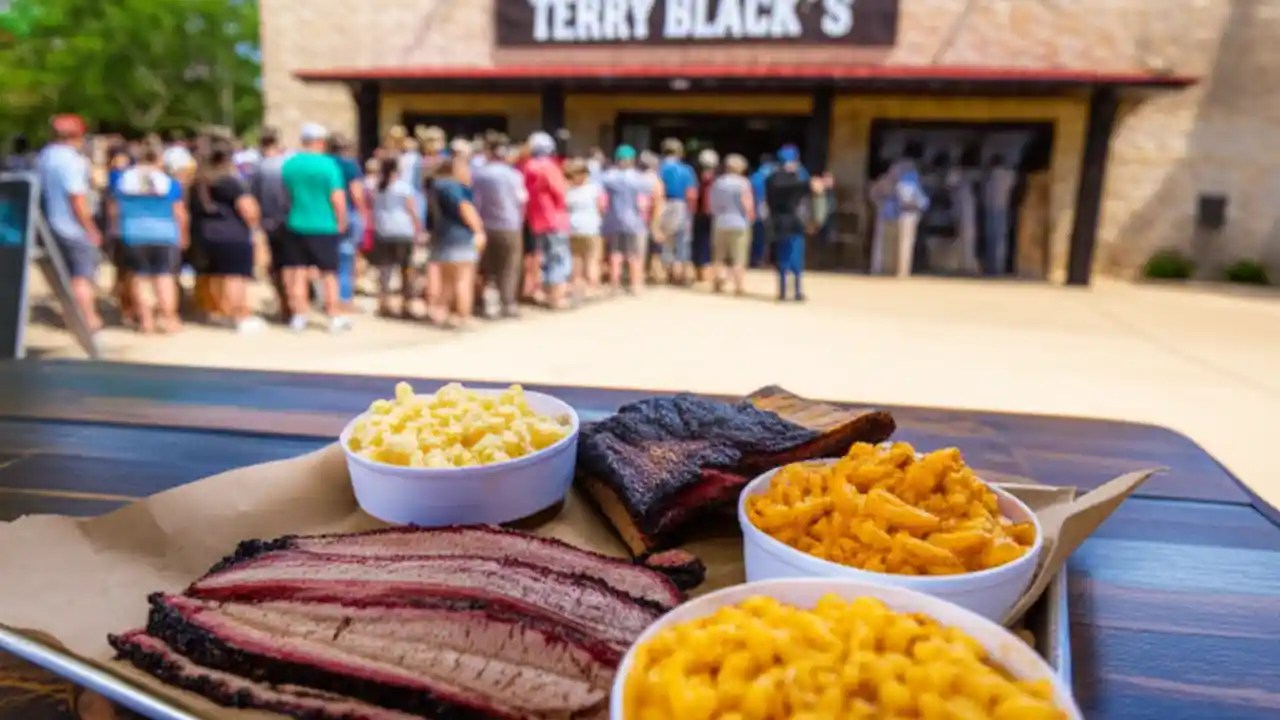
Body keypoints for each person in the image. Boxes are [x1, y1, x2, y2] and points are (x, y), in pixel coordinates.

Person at [109, 142, 187, 333]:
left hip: (133, 233)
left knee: (139, 277)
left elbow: (113, 209)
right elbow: (179, 212)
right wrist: (183, 234)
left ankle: (146, 321)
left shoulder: (122, 179)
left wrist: (115, 229)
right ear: (158, 159)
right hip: (165, 233)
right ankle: (168, 320)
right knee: (165, 277)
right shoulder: (169, 182)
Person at [279, 122, 350, 333]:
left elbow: (286, 194)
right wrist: (342, 220)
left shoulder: (290, 164)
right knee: (329, 272)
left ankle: (299, 315)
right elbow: (337, 197)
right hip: (324, 224)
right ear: (320, 142)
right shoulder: (328, 165)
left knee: (298, 271)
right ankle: (333, 314)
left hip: (297, 221)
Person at [36, 114, 104, 331]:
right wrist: (90, 228)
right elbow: (77, 199)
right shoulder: (72, 160)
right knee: (82, 276)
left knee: (64, 275)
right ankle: (86, 319)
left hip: (48, 226)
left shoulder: (44, 157)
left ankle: (70, 315)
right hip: (72, 227)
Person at [190, 138, 264, 333]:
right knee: (235, 276)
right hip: (232, 234)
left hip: (205, 234)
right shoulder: (230, 182)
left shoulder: (198, 182)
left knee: (214, 275)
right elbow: (248, 208)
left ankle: (215, 310)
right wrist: (256, 229)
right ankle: (237, 314)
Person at [425, 143, 485, 328]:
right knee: (463, 279)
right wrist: (479, 230)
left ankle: (441, 312)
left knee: (447, 280)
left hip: (442, 237)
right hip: (460, 237)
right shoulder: (453, 188)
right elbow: (465, 208)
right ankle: (463, 315)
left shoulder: (435, 187)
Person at [471, 136, 528, 318]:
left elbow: (475, 200)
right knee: (510, 266)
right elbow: (522, 200)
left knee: (485, 266)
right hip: (510, 224)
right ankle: (508, 304)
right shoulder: (514, 175)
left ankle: (482, 302)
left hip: (484, 223)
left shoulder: (479, 174)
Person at [522, 131, 571, 309]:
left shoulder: (528, 167)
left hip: (536, 219)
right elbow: (560, 192)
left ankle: (543, 292)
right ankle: (556, 297)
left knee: (542, 257)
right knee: (558, 257)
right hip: (555, 219)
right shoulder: (549, 167)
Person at [369, 157, 422, 317]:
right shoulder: (403, 187)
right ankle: (407, 302)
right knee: (406, 268)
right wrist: (418, 227)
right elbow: (411, 209)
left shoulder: (377, 186)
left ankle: (384, 301)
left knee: (385, 268)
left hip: (384, 229)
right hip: (403, 229)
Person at [248, 129, 291, 321]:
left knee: (275, 265)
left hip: (269, 221)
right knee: (292, 264)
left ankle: (283, 303)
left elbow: (253, 197)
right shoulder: (288, 165)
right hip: (291, 219)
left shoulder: (258, 168)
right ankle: (294, 303)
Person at [764, 145, 815, 302]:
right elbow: (805, 196)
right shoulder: (799, 178)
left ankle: (783, 291)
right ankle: (797, 291)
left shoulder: (770, 178)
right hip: (794, 222)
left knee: (782, 257)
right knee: (795, 257)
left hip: (777, 222)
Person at [599, 145, 652, 295]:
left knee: (615, 252)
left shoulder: (609, 176)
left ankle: (614, 284)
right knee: (634, 253)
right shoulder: (639, 178)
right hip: (634, 220)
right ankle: (635, 284)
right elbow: (648, 194)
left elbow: (601, 192)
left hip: (614, 219)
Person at [328, 134, 367, 309]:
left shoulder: (325, 163)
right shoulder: (351, 166)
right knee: (346, 257)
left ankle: (328, 296)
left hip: (326, 214)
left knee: (328, 258)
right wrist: (364, 212)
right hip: (348, 212)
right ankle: (344, 298)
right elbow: (356, 192)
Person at [709, 153, 755, 295]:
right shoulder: (743, 183)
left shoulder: (718, 182)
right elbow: (746, 202)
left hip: (721, 221)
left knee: (719, 255)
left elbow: (712, 203)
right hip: (739, 222)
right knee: (738, 256)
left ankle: (717, 282)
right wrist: (751, 216)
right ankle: (739, 286)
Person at [564, 158, 606, 301]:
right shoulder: (594, 189)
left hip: (572, 228)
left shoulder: (568, 190)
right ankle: (592, 287)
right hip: (590, 228)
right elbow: (601, 207)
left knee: (576, 260)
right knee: (592, 259)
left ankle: (577, 287)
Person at [656, 138, 698, 284]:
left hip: (663, 203)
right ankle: (681, 273)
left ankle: (667, 272)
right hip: (681, 204)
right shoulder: (686, 170)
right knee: (682, 240)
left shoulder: (659, 168)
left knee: (666, 240)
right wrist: (692, 212)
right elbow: (691, 193)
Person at [983, 153, 1018, 276]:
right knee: (1000, 239)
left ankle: (992, 267)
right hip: (1002, 208)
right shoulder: (1009, 174)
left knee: (992, 239)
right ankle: (998, 267)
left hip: (992, 209)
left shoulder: (991, 175)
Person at [636, 150, 666, 283]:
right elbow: (658, 201)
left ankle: (640, 273)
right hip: (651, 216)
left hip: (638, 217)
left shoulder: (637, 178)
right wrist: (656, 224)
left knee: (639, 248)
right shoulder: (655, 179)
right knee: (654, 247)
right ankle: (654, 272)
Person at [692, 148, 719, 282]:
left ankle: (702, 272)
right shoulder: (716, 180)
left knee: (701, 243)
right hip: (708, 214)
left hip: (700, 214)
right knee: (707, 244)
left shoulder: (697, 178)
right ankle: (704, 273)